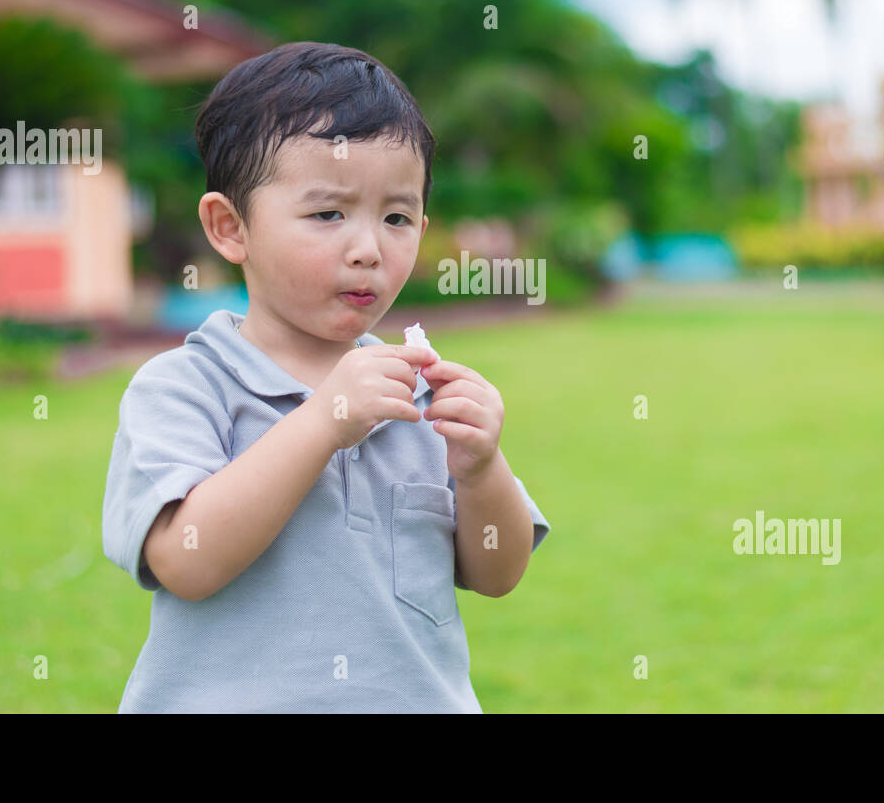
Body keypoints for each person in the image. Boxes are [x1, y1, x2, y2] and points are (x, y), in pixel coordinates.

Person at [101, 41, 550, 712]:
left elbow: (496, 572)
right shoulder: (185, 388)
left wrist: (483, 467)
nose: (369, 249)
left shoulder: (419, 393)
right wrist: (322, 422)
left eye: (397, 218)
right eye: (328, 214)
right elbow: (186, 560)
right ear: (230, 227)